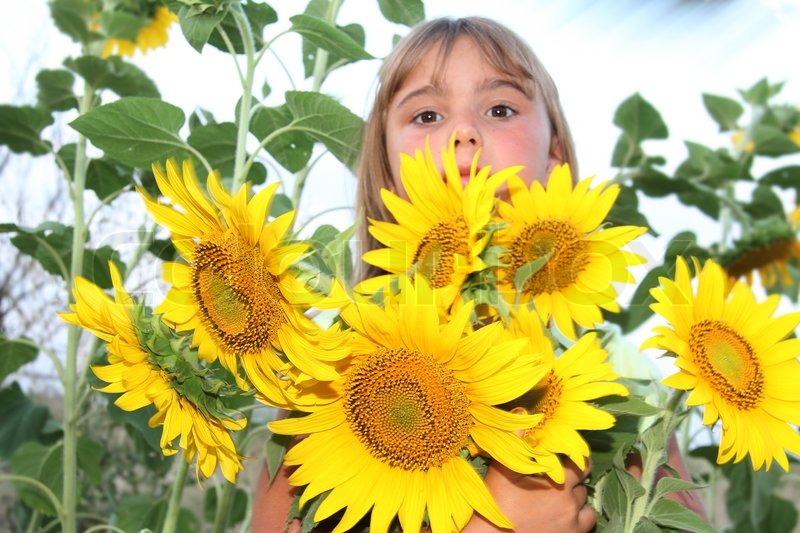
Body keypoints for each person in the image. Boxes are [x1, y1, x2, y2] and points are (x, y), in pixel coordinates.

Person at [252, 16, 701, 533]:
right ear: (387, 166)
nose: (463, 132)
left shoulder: (617, 375)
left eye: (500, 109)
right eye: (425, 115)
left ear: (554, 154)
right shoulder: (325, 371)